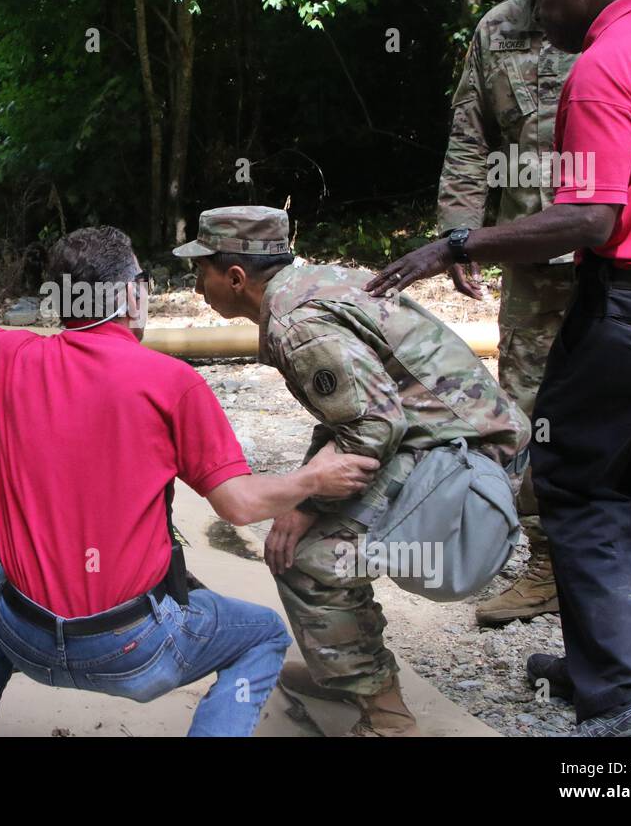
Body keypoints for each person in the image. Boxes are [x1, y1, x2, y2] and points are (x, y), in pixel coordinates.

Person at [368, 0, 631, 736]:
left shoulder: (603, 66)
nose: (539, 13)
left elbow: (590, 219)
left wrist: (458, 243)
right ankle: (591, 666)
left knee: (576, 485)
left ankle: (625, 711)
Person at [0, 227, 380, 736]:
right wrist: (314, 478)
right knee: (263, 635)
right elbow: (239, 505)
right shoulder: (173, 383)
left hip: (26, 634)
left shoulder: (10, 357)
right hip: (130, 651)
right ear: (131, 294)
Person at [438, 0, 631, 639]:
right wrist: (460, 229)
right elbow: (468, 134)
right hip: (535, 252)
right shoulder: (500, 30)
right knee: (530, 409)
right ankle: (547, 559)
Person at [176, 206, 530, 736]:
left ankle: (384, 714)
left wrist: (306, 504)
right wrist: (309, 488)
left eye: (199, 270)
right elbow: (352, 413)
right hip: (433, 432)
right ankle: (347, 672)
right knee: (309, 539)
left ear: (235, 276)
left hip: (463, 455)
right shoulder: (315, 283)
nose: (195, 283)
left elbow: (373, 426)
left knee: (306, 557)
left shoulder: (299, 324)